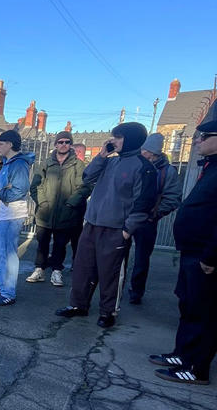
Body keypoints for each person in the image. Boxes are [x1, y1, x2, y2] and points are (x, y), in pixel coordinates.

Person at [56, 122, 157, 328]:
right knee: (83, 269)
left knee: (110, 273)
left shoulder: (143, 167)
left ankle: (108, 311)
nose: (113, 141)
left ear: (131, 139)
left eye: (118, 137)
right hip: (92, 224)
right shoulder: (109, 162)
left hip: (116, 230)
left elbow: (143, 202)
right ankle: (78, 305)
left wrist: (127, 231)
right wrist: (102, 155)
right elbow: (87, 177)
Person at [150, 118, 217, 386]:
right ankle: (182, 354)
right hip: (191, 251)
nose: (198, 141)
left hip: (206, 256)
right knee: (188, 305)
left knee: (205, 313)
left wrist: (212, 256)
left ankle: (197, 368)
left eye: (204, 137)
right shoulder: (210, 167)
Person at [26, 131, 92, 287]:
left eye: (67, 142)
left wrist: (71, 204)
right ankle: (39, 269)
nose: (64, 144)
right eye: (60, 142)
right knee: (42, 243)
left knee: (60, 244)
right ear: (55, 144)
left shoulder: (78, 165)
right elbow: (35, 185)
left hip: (66, 214)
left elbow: (85, 187)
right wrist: (42, 203)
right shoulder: (46, 164)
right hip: (45, 213)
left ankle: (57, 270)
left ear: (70, 145)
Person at [128, 133, 181, 304]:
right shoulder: (136, 166)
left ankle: (136, 292)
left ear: (152, 153)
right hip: (127, 217)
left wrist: (155, 215)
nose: (141, 153)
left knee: (142, 258)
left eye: (144, 151)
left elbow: (173, 198)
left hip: (147, 222)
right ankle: (115, 286)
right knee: (117, 253)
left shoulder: (168, 172)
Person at [0, 131, 35, 306]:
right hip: (2, 215)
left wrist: (1, 193)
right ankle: (2, 286)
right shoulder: (9, 163)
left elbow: (20, 189)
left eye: (0, 143)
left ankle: (8, 293)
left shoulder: (19, 164)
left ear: (10, 144)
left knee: (7, 255)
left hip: (10, 215)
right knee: (0, 254)